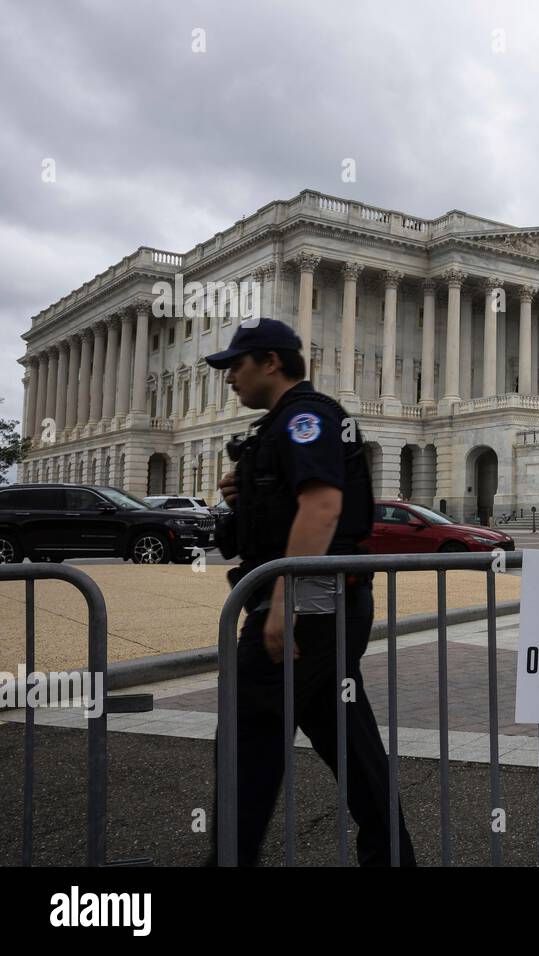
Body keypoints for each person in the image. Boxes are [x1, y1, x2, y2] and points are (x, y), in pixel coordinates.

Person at [204, 318, 415, 866]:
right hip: (322, 597)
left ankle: (228, 857)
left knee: (248, 736)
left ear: (271, 362)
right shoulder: (279, 426)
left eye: (236, 366)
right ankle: (392, 857)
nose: (230, 379)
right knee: (347, 737)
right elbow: (283, 513)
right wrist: (243, 493)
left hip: (310, 598)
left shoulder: (305, 417)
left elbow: (322, 506)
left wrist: (283, 600)